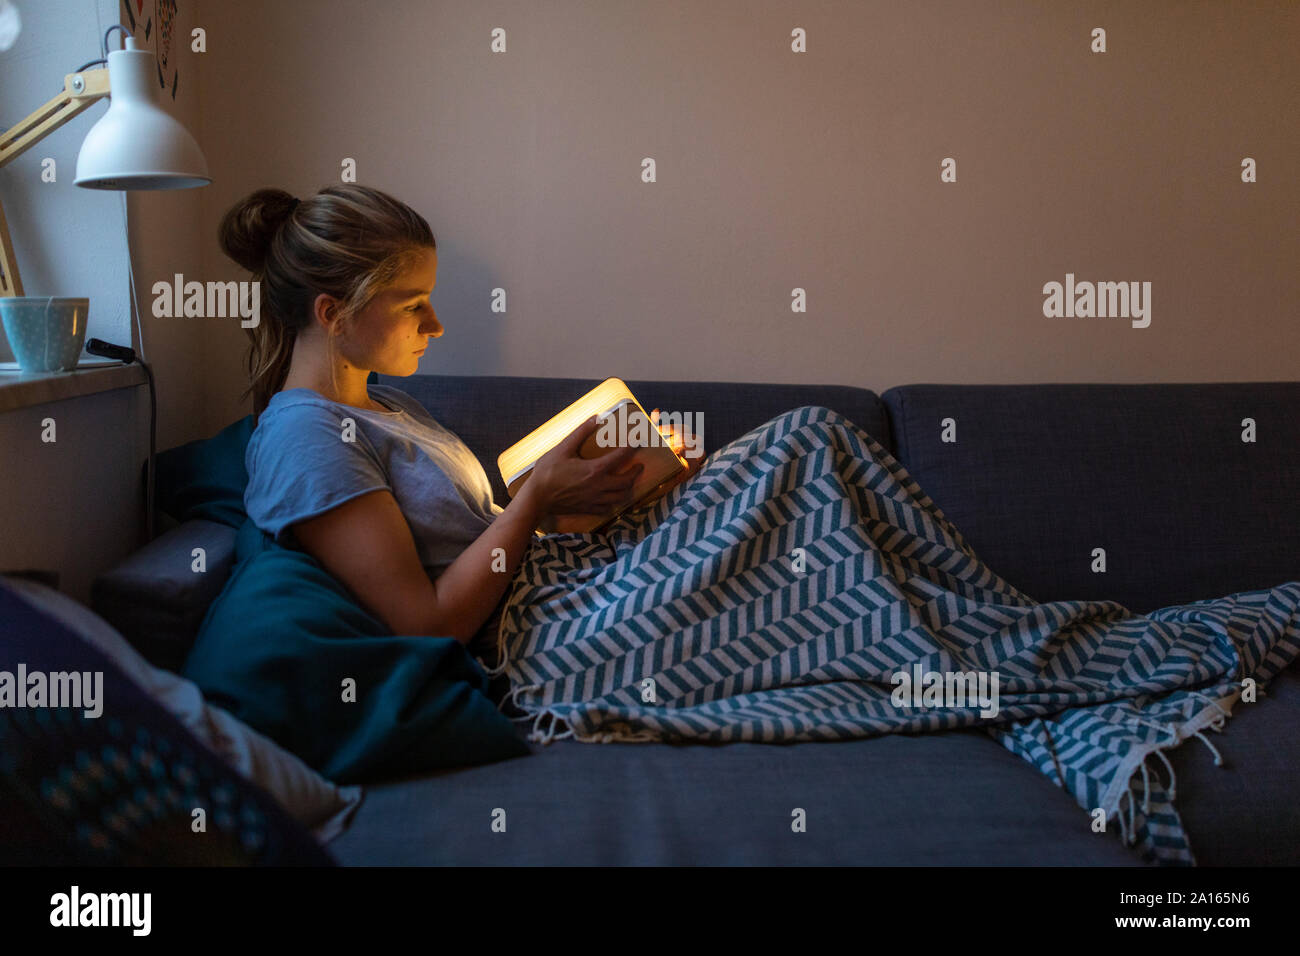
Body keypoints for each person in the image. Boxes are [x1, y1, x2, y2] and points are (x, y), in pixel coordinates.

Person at [219, 184, 704, 654]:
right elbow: (428, 626)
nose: (435, 326)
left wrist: (640, 483)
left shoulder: (392, 405)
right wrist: (535, 497)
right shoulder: (307, 436)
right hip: (548, 628)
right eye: (413, 305)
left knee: (724, 474)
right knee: (757, 464)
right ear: (333, 313)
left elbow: (486, 542)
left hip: (577, 582)